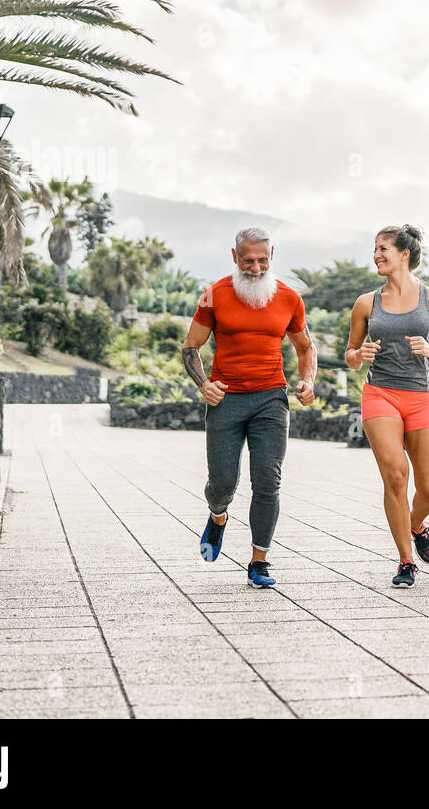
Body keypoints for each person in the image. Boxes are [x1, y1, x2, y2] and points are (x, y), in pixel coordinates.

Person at [181, 226, 317, 588]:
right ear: (234, 257)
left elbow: (306, 348)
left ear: (272, 257)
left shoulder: (289, 297)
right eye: (248, 261)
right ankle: (218, 516)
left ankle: (260, 561)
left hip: (271, 397)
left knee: (267, 482)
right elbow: (190, 346)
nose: (255, 268)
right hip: (226, 398)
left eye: (263, 261)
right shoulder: (214, 295)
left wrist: (308, 382)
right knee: (223, 483)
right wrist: (204, 385)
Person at [344, 225, 429, 588]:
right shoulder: (367, 303)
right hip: (380, 394)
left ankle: (416, 525)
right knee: (395, 476)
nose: (376, 254)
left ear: (404, 254)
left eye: (383, 249)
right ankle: (405, 560)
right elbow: (349, 354)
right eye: (375, 248)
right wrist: (357, 355)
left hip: (422, 397)